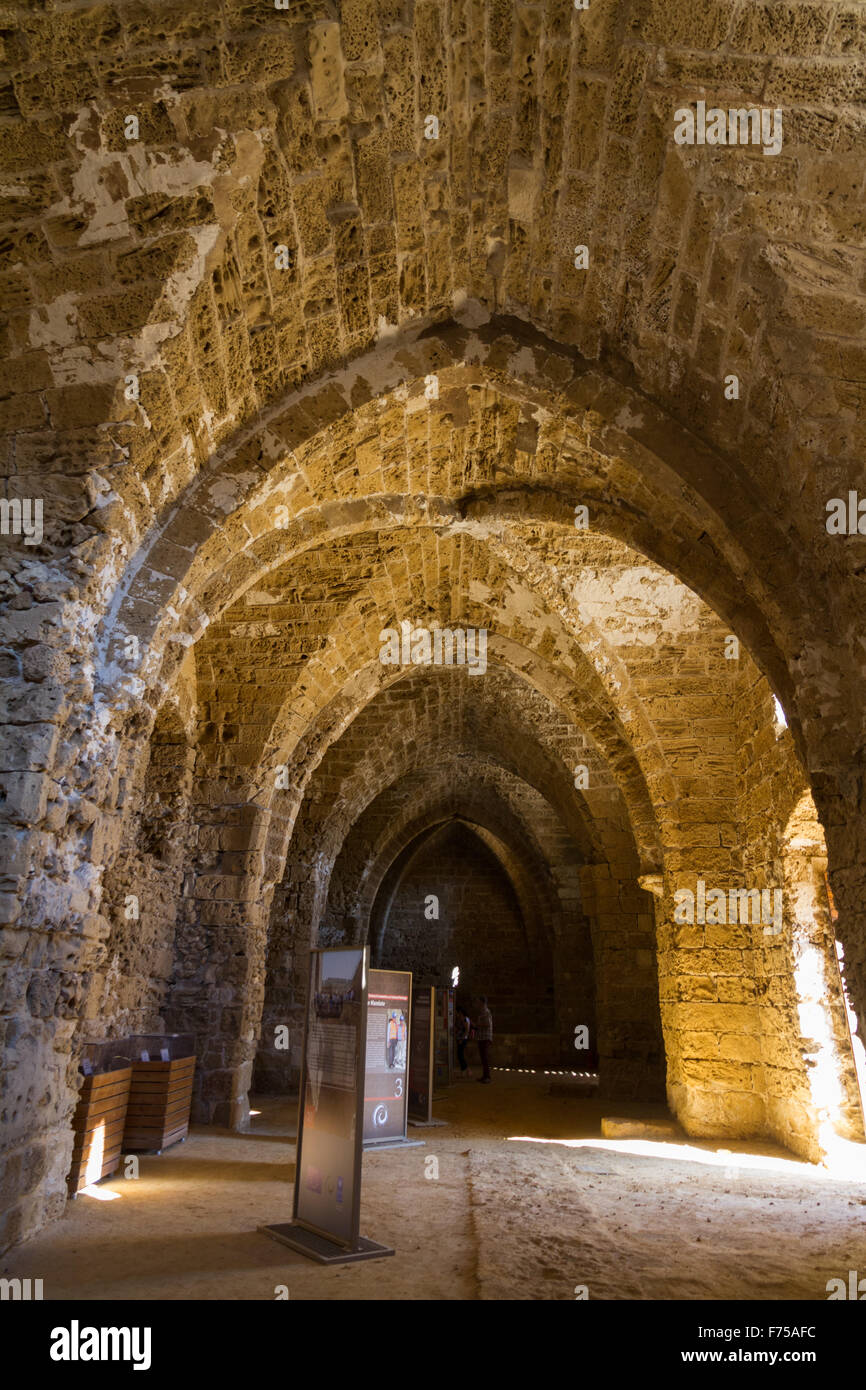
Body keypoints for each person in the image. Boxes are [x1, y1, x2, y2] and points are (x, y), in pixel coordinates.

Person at [475, 996, 493, 1083]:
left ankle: (488, 1077)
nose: (477, 1004)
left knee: (485, 1057)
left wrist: (478, 1024)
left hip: (485, 1037)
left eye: (478, 1002)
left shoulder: (486, 1012)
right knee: (483, 1057)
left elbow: (487, 1024)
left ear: (482, 1003)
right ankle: (485, 1076)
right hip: (482, 1037)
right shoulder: (482, 1012)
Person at [456, 1007, 471, 1076]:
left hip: (463, 1039)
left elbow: (466, 1030)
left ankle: (466, 1070)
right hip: (460, 1038)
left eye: (458, 1012)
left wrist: (462, 1039)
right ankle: (465, 1071)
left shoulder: (465, 1019)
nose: (457, 1014)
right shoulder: (461, 1019)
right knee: (460, 1055)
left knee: (460, 1055)